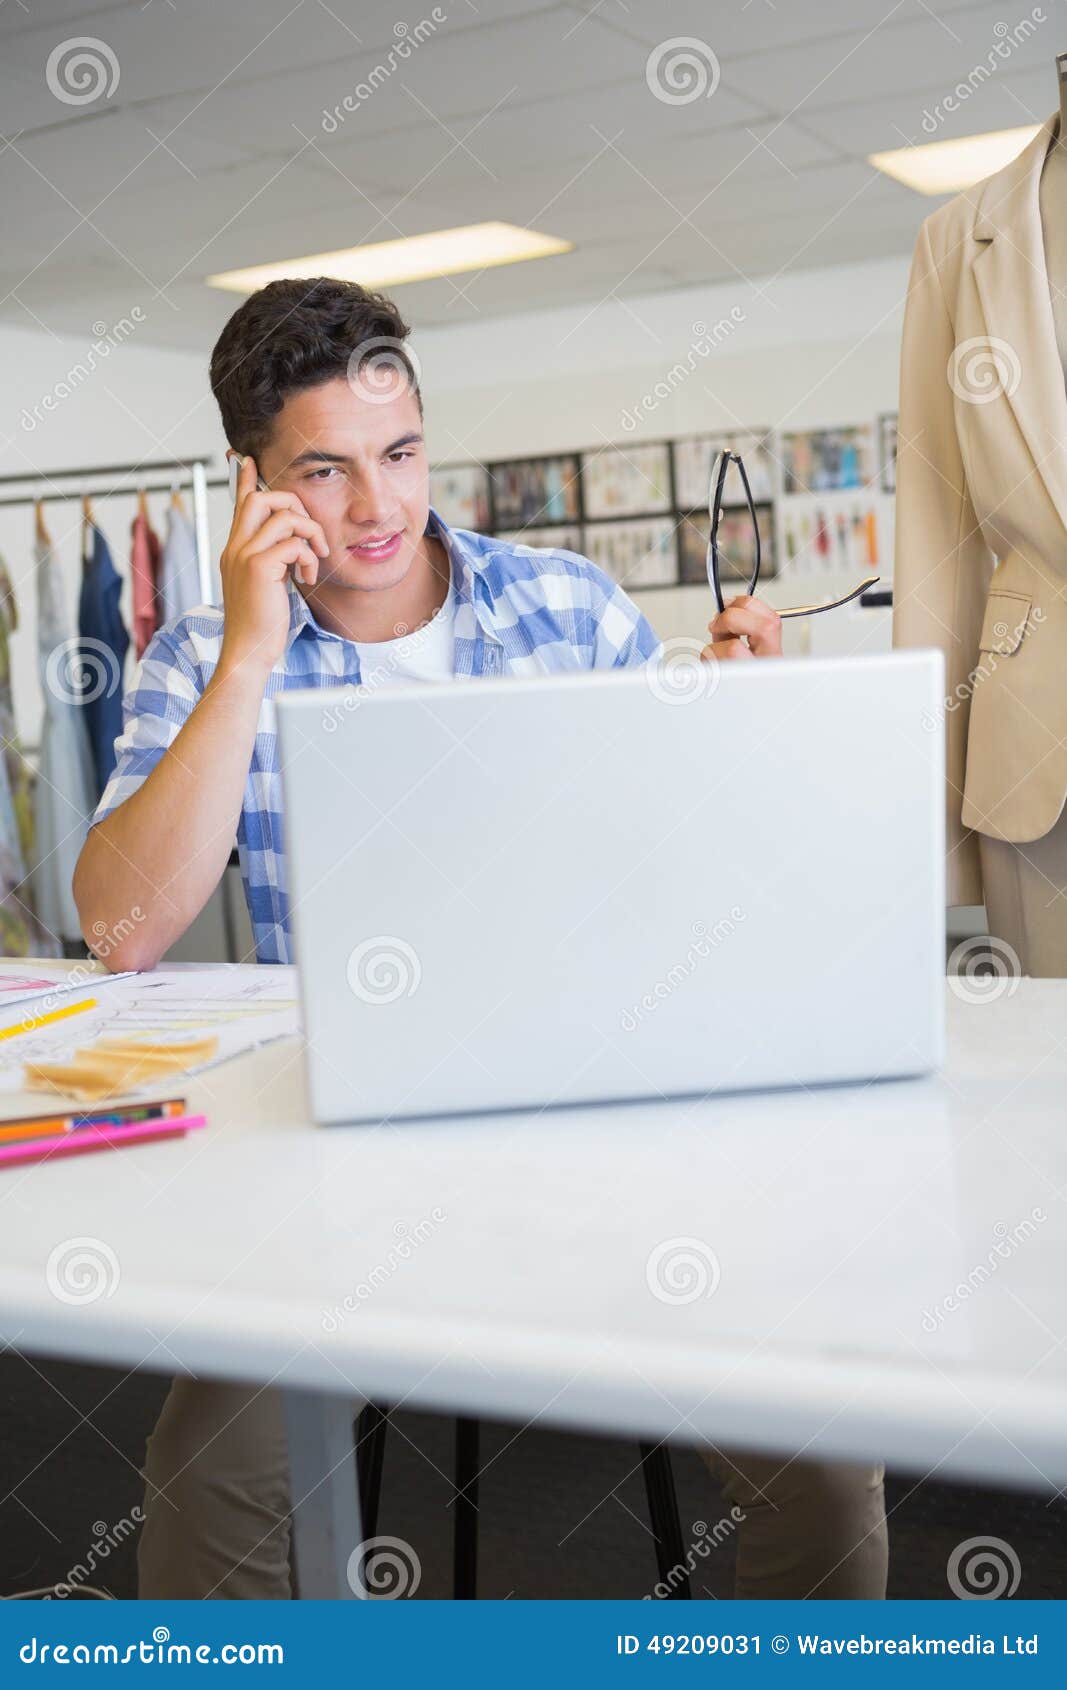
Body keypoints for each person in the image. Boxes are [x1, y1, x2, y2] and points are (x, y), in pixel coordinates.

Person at [72, 277, 886, 1600]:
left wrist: (742, 737)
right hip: (347, 1159)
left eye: (399, 455)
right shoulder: (206, 653)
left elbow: (709, 877)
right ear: (253, 484)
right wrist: (247, 666)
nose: (380, 505)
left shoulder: (565, 607)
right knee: (204, 1475)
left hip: (604, 1123)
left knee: (832, 1460)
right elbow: (120, 923)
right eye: (324, 472)